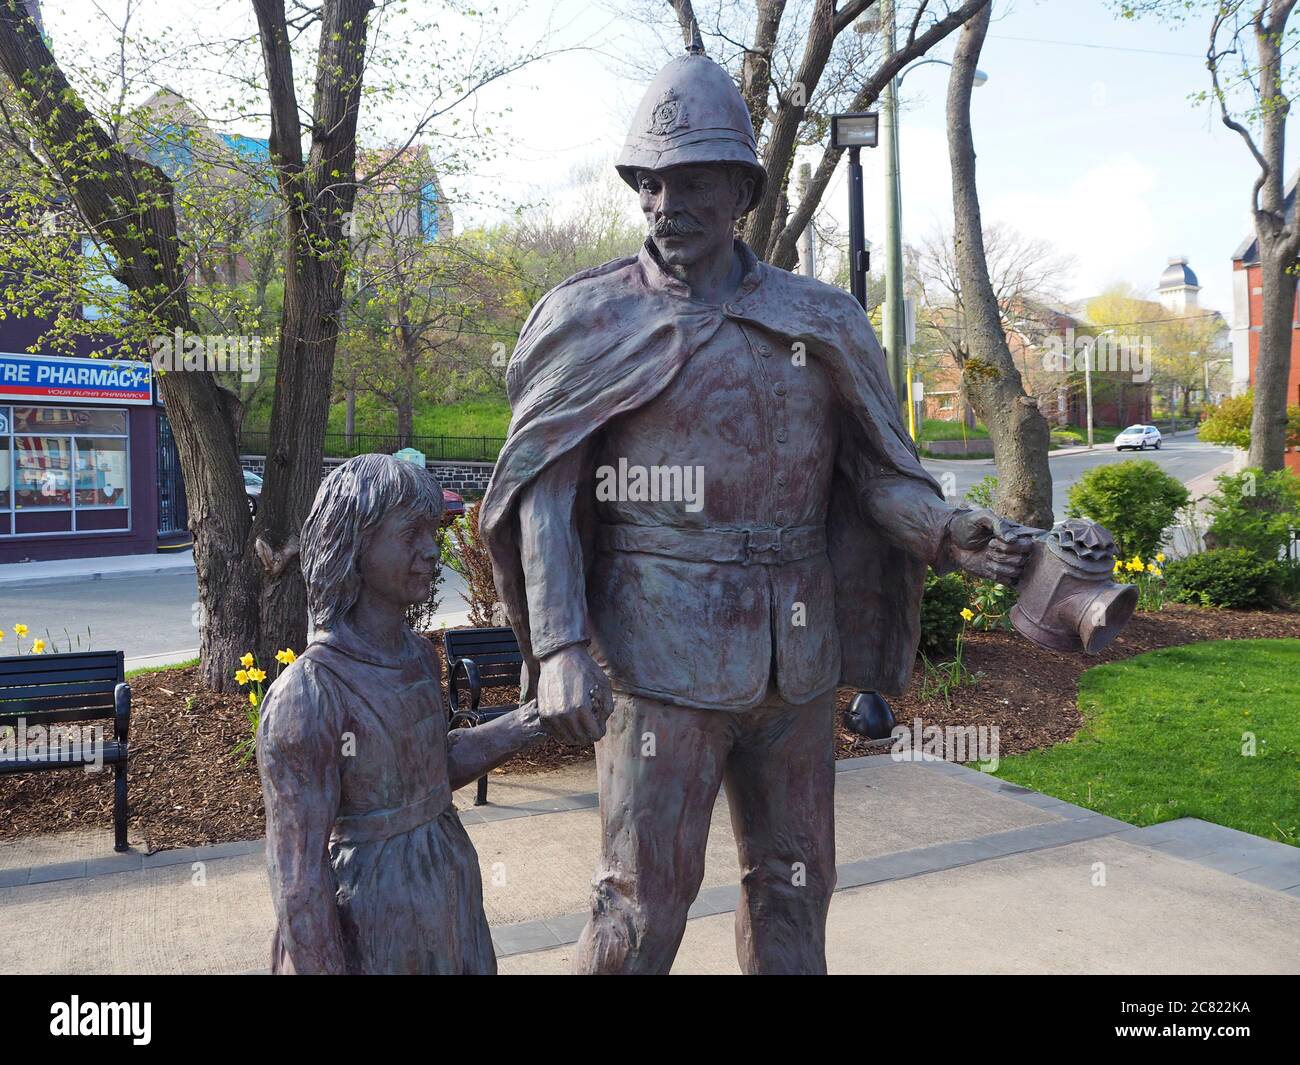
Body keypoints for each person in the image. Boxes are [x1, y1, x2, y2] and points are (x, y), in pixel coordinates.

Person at [481, 46, 1031, 974]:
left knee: (795, 883)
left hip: (796, 662)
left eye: (690, 182)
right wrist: (564, 646)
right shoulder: (593, 319)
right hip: (657, 660)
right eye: (649, 184)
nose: (665, 206)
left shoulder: (819, 321)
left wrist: (944, 529)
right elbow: (547, 488)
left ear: (742, 188)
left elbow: (872, 479)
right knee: (638, 903)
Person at [258, 453, 546, 974]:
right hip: (372, 915)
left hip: (446, 889)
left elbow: (432, 766)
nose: (432, 552)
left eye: (434, 532)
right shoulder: (309, 695)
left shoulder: (418, 655)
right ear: (354, 542)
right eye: (411, 533)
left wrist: (534, 720)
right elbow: (298, 880)